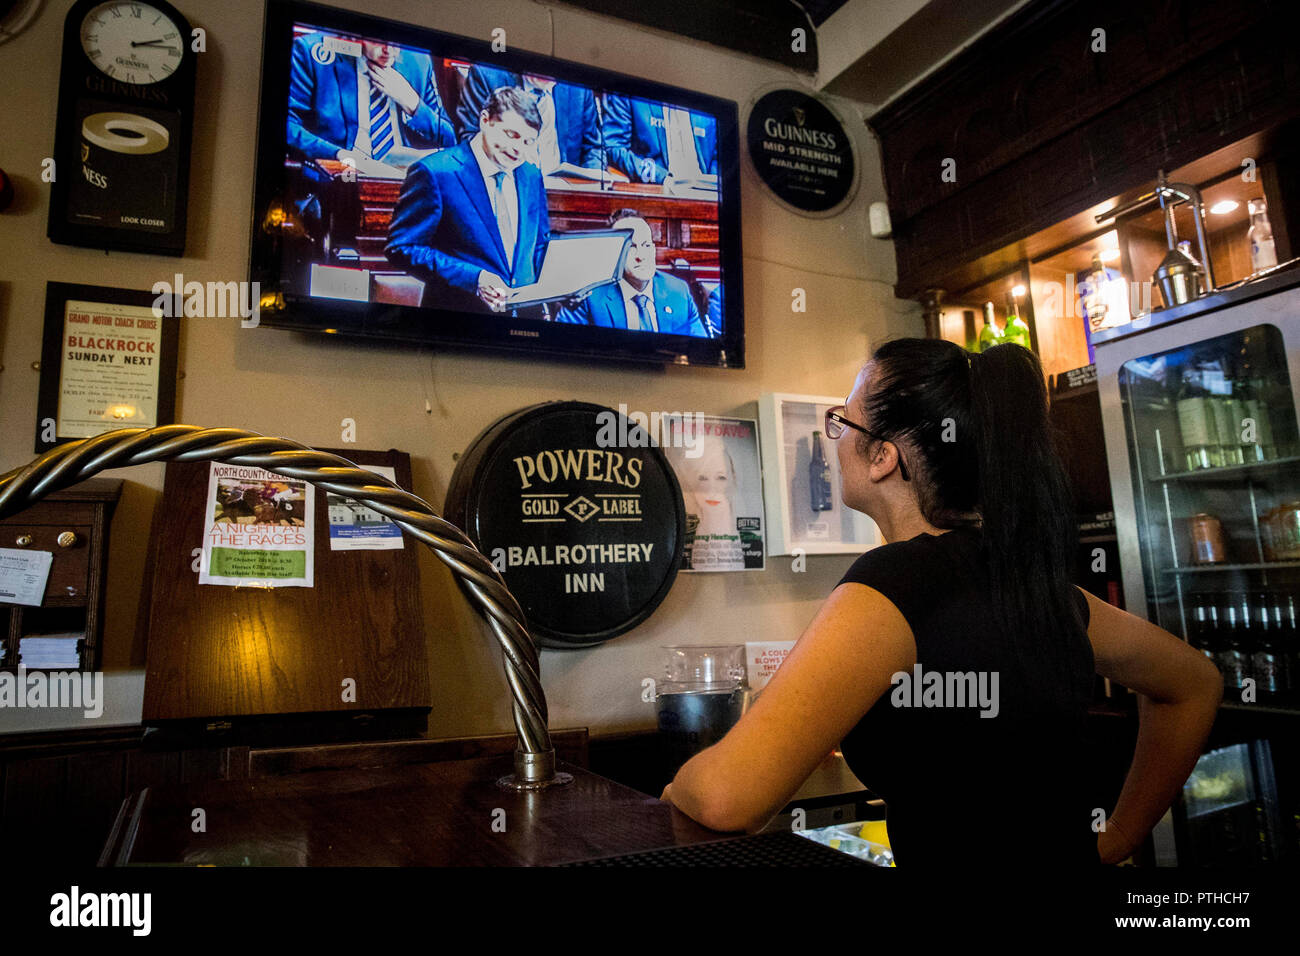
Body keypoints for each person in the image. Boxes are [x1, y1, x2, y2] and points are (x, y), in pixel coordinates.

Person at [661, 340, 1223, 866]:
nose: (832, 438)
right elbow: (1195, 682)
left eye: (843, 421)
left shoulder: (897, 580)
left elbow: (726, 799)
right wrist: (1118, 836)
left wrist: (678, 785)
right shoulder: (1032, 584)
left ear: (883, 456)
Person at [385, 87, 550, 313]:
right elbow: (402, 248)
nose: (518, 150)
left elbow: (539, 244)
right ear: (485, 120)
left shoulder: (531, 175)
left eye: (528, 142)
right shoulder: (435, 172)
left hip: (524, 324)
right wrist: (474, 279)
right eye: (512, 135)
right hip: (460, 320)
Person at [287, 34, 456, 166]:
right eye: (380, 39)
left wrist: (413, 103)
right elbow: (287, 127)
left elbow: (450, 139)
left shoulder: (418, 60)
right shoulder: (312, 52)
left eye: (397, 41)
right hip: (338, 181)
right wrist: (337, 154)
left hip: (406, 184)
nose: (389, 50)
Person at [554, 209, 707, 335]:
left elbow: (699, 352)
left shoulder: (678, 292)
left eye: (646, 245)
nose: (641, 256)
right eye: (631, 247)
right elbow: (565, 347)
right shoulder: (587, 296)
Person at [455, 65, 604, 173]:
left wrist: (593, 184)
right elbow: (471, 140)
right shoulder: (486, 76)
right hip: (509, 187)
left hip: (564, 194)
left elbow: (593, 148)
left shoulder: (578, 87)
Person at [602, 93, 717, 184]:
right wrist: (659, 177)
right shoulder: (628, 93)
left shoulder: (707, 100)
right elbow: (613, 148)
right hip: (654, 191)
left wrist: (712, 185)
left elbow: (718, 157)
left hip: (705, 196)